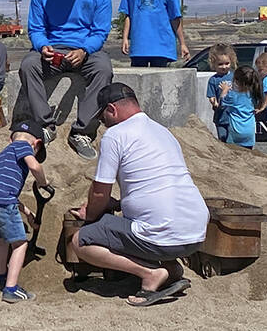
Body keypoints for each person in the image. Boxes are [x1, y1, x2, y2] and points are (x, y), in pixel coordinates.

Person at [70, 83, 208, 307]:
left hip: (162, 233)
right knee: (139, 224)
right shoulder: (163, 132)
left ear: (112, 109)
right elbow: (155, 186)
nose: (103, 124)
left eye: (103, 118)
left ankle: (149, 274)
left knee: (81, 241)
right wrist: (117, 204)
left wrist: (91, 215)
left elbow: (100, 191)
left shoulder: (115, 135)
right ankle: (171, 268)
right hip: (196, 233)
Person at [18, 0, 114, 159]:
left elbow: (100, 32)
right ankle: (45, 126)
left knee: (103, 68)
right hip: (52, 49)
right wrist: (43, 46)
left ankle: (82, 132)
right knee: (28, 65)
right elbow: (36, 28)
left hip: (85, 50)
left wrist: (84, 50)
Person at [0, 120, 50, 303]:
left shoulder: (5, 154)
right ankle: (11, 289)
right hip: (2, 201)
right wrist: (43, 182)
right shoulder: (24, 146)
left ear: (10, 139)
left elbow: (3, 193)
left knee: (2, 238)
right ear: (36, 144)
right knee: (20, 244)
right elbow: (35, 166)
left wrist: (28, 213)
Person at [219, 65, 260, 149]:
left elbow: (222, 103)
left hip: (236, 130)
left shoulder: (233, 95)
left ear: (236, 81)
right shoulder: (253, 94)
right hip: (250, 131)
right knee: (248, 152)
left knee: (233, 151)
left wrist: (225, 90)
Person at [205, 43, 237, 141]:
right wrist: (214, 102)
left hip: (234, 115)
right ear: (213, 64)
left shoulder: (234, 77)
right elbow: (211, 96)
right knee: (222, 139)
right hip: (221, 116)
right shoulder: (213, 80)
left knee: (233, 140)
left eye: (227, 63)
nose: (224, 67)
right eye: (220, 64)